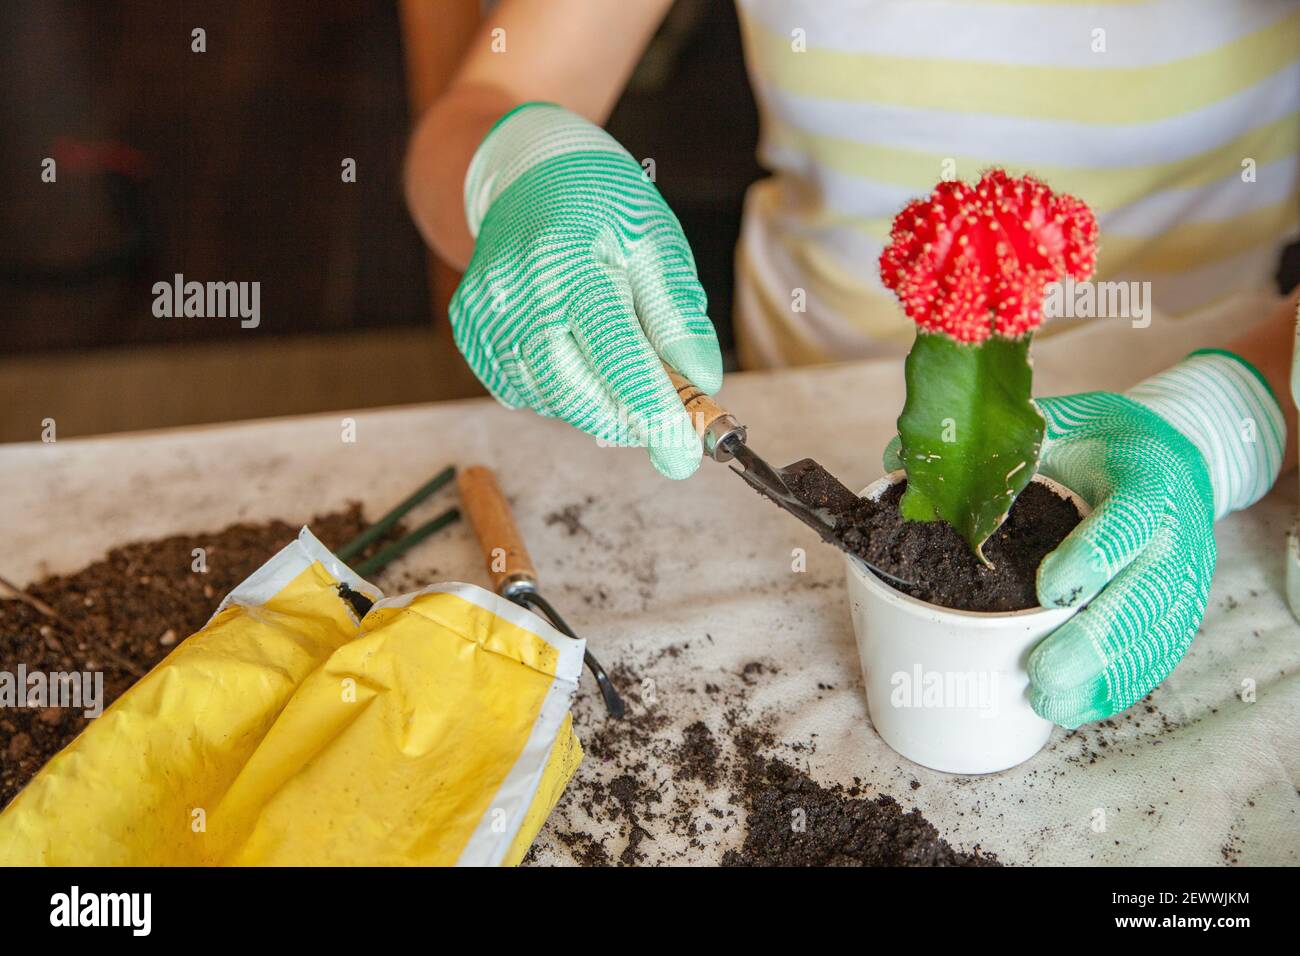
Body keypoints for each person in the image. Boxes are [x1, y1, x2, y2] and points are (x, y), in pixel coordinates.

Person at [404, 0, 1298, 727]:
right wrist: (517, 168)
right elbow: (482, 100)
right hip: (793, 372)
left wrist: (1227, 413)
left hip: (1219, 374)